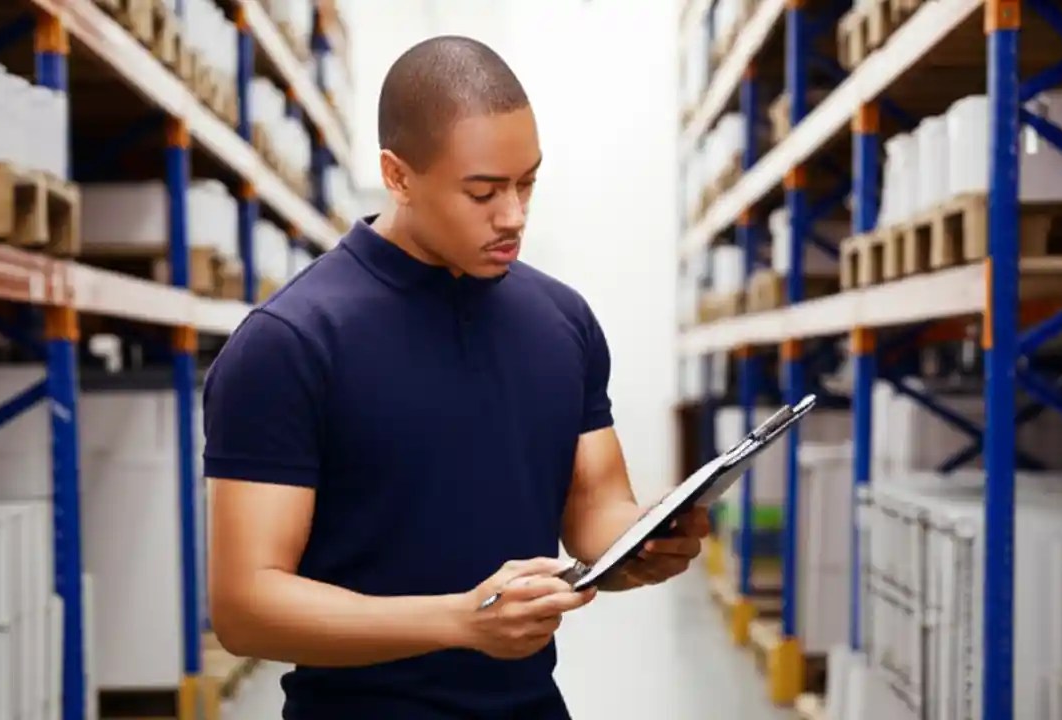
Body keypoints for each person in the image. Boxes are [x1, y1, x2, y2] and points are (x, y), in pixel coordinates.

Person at [202, 34, 709, 719]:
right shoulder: (290, 344)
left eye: (527, 181)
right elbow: (245, 608)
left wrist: (639, 543)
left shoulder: (562, 321)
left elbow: (594, 508)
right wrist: (459, 622)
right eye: (483, 192)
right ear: (398, 175)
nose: (514, 215)